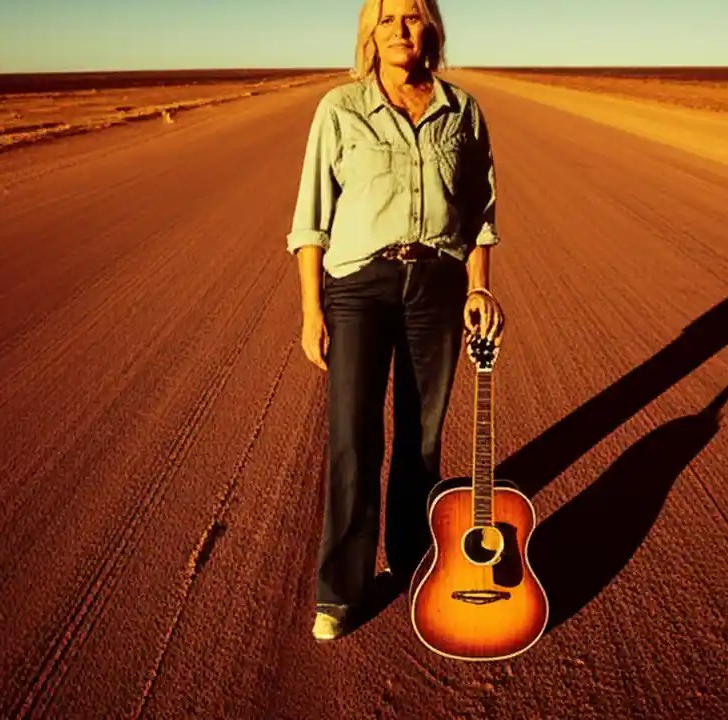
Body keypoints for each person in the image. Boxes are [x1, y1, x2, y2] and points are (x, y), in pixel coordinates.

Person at [286, 0, 506, 641]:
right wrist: (311, 309)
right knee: (353, 436)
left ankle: (414, 564)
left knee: (422, 436)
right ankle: (342, 590)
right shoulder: (340, 109)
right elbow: (311, 217)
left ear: (431, 26)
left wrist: (479, 288)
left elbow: (480, 212)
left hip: (436, 283)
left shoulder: (462, 111)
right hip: (359, 286)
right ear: (370, 35)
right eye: (387, 20)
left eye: (412, 17)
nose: (400, 30)